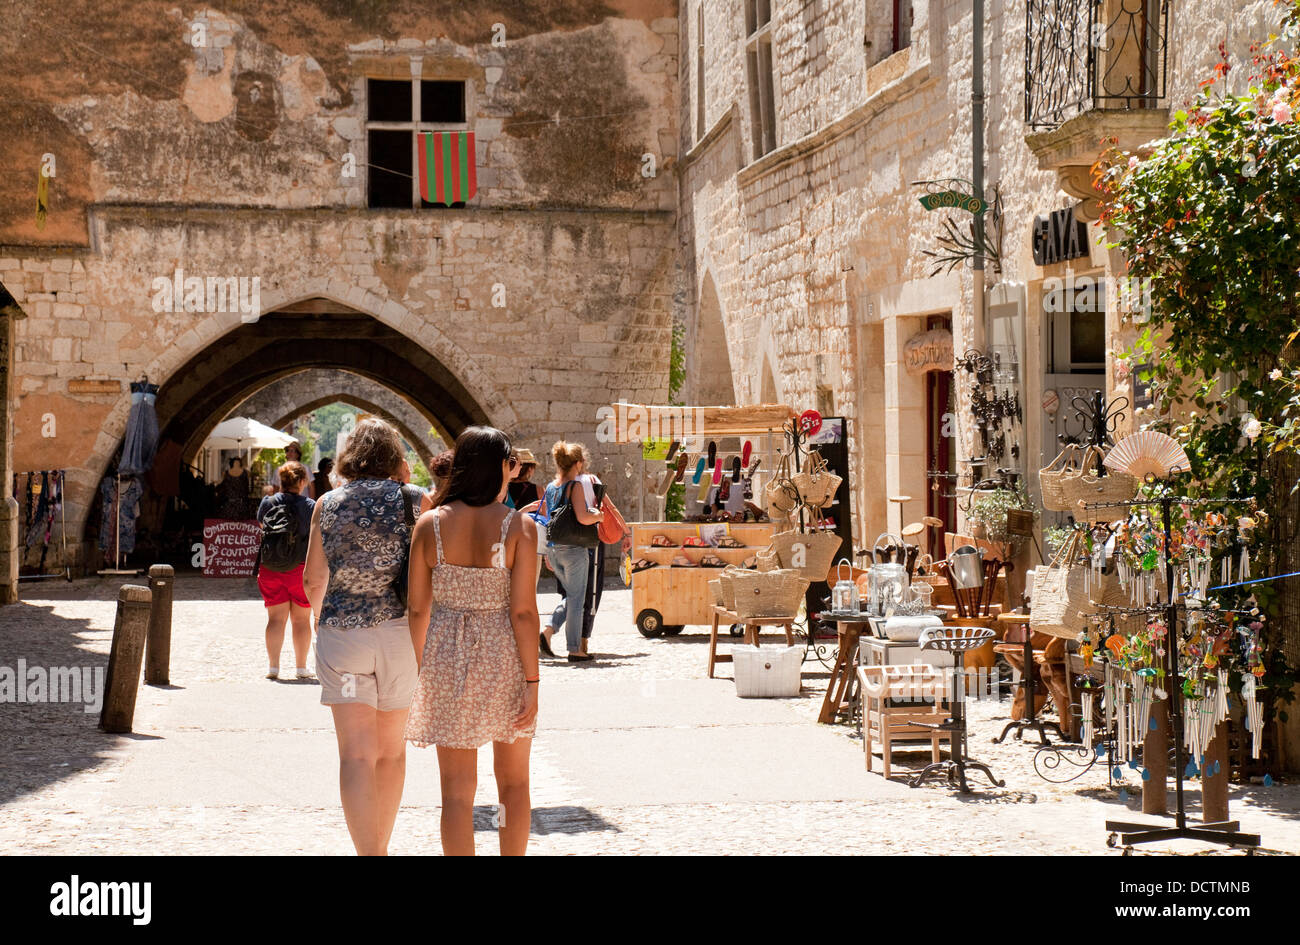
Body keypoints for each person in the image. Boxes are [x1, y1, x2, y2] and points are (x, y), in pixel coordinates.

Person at [405, 427, 539, 856]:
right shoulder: (518, 526)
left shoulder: (430, 526)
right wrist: (533, 682)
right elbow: (523, 612)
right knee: (513, 783)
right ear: (499, 467)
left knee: (456, 792)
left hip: (445, 652)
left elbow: (417, 609)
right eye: (510, 463)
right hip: (504, 656)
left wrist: (424, 667)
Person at [303, 418, 419, 856]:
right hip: (398, 637)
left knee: (355, 755)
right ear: (394, 458)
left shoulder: (327, 504)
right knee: (391, 752)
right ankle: (382, 846)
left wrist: (322, 620)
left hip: (343, 636)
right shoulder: (413, 501)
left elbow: (314, 579)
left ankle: (369, 853)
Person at [540, 441, 604, 662]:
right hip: (574, 549)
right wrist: (598, 516)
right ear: (577, 463)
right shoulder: (574, 487)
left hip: (555, 549)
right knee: (577, 600)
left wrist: (548, 551)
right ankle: (575, 649)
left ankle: (548, 631)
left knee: (571, 595)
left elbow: (550, 519)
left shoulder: (550, 487)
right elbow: (582, 517)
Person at [256, 460, 314, 680]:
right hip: (300, 568)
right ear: (301, 481)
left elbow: (262, 526)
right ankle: (301, 667)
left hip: (271, 567)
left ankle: (273, 667)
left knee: (275, 619)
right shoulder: (310, 506)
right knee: (301, 620)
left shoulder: (267, 502)